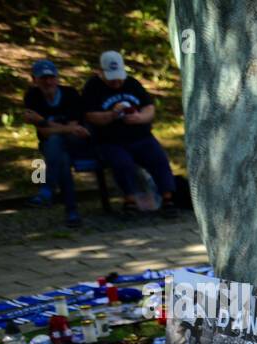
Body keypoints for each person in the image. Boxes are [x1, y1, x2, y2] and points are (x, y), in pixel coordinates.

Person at [81, 51, 178, 216]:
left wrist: (139, 118)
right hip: (110, 140)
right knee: (122, 162)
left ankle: (168, 198)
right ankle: (129, 200)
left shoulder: (132, 83)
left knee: (158, 157)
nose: (116, 81)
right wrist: (111, 115)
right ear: (101, 72)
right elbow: (90, 116)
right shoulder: (92, 88)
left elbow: (149, 108)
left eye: (119, 77)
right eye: (112, 78)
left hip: (141, 136)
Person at [21, 60, 89, 227]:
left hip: (76, 145)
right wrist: (64, 128)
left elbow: (74, 129)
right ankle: (71, 212)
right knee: (61, 158)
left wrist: (43, 121)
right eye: (43, 78)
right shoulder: (32, 96)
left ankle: (47, 189)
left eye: (51, 77)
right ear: (34, 79)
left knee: (55, 140)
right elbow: (45, 132)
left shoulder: (70, 94)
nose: (48, 82)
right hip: (52, 147)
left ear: (57, 78)